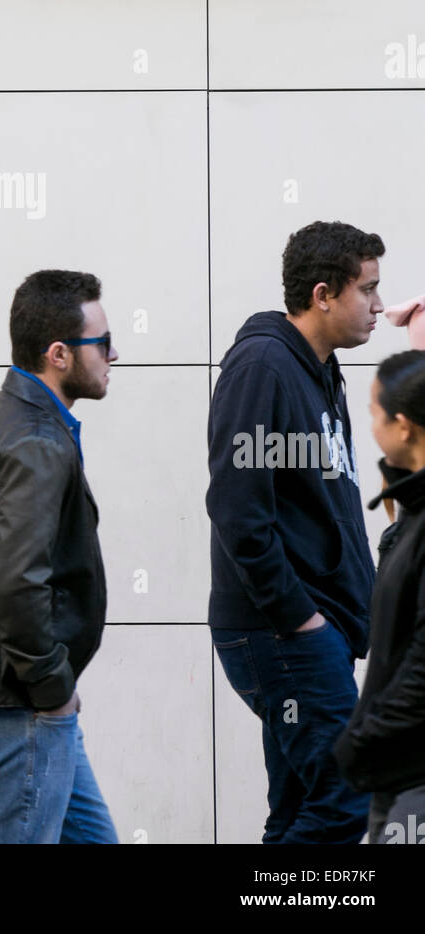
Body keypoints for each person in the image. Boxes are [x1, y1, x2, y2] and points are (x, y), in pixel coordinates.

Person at [0, 269, 118, 844]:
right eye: (102, 343)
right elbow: (16, 584)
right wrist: (53, 686)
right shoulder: (35, 438)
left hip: (18, 699)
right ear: (59, 354)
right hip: (16, 707)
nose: (115, 355)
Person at [206, 220, 385, 844]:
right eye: (368, 289)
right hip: (284, 630)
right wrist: (301, 618)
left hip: (313, 630)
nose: (379, 306)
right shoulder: (263, 366)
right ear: (323, 295)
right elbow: (237, 509)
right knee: (348, 795)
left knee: (299, 808)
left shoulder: (319, 368)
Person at [334, 351, 425, 843]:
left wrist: (361, 742)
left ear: (404, 426)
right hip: (397, 768)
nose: (368, 426)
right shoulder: (411, 511)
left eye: (373, 412)